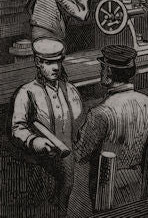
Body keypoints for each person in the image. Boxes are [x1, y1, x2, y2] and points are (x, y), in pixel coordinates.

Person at [70, 45, 148, 217]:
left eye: (102, 68)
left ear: (109, 73)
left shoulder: (101, 113)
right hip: (136, 176)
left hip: (106, 182)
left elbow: (81, 154)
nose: (100, 72)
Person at [11, 38, 84, 216]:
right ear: (38, 62)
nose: (55, 67)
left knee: (63, 204)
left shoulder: (71, 91)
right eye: (49, 62)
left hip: (68, 164)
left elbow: (79, 123)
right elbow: (17, 128)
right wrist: (34, 141)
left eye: (58, 61)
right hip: (41, 164)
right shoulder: (27, 92)